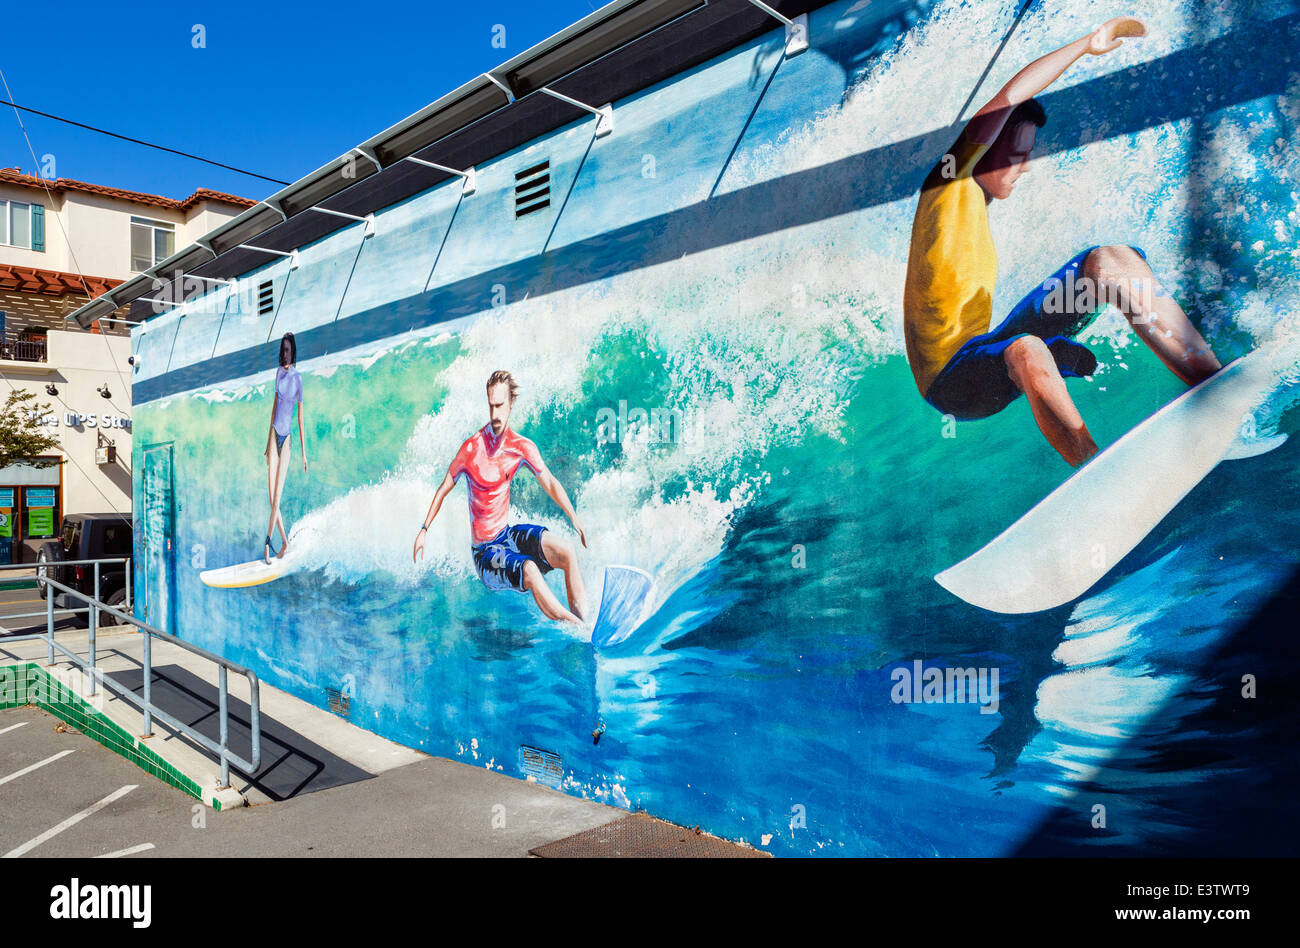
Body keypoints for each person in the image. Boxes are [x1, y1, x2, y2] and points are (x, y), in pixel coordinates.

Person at [903, 17, 1222, 466]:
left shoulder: (977, 205)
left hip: (991, 349)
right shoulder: (947, 183)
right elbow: (1006, 100)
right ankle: (1095, 467)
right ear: (982, 150)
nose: (1026, 166)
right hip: (953, 383)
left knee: (1110, 260)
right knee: (1028, 349)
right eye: (1017, 155)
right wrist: (1087, 45)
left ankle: (1213, 381)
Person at [413, 370, 589, 622]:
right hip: (486, 554)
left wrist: (574, 517)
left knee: (567, 551)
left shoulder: (521, 447)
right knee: (529, 570)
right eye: (491, 406)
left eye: (500, 406)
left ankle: (586, 618)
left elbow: (549, 481)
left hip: (507, 536)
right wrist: (423, 529)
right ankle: (578, 628)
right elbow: (444, 487)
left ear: (511, 404)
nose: (495, 414)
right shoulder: (472, 449)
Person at [264, 332, 307, 563]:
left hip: (287, 439)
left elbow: (300, 418)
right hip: (273, 435)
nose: (285, 354)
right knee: (272, 499)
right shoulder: (278, 374)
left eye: (288, 350)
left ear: (294, 351)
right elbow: (274, 407)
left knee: (277, 498)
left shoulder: (298, 379)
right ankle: (285, 542)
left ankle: (268, 544)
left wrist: (304, 454)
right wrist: (266, 443)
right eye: (283, 350)